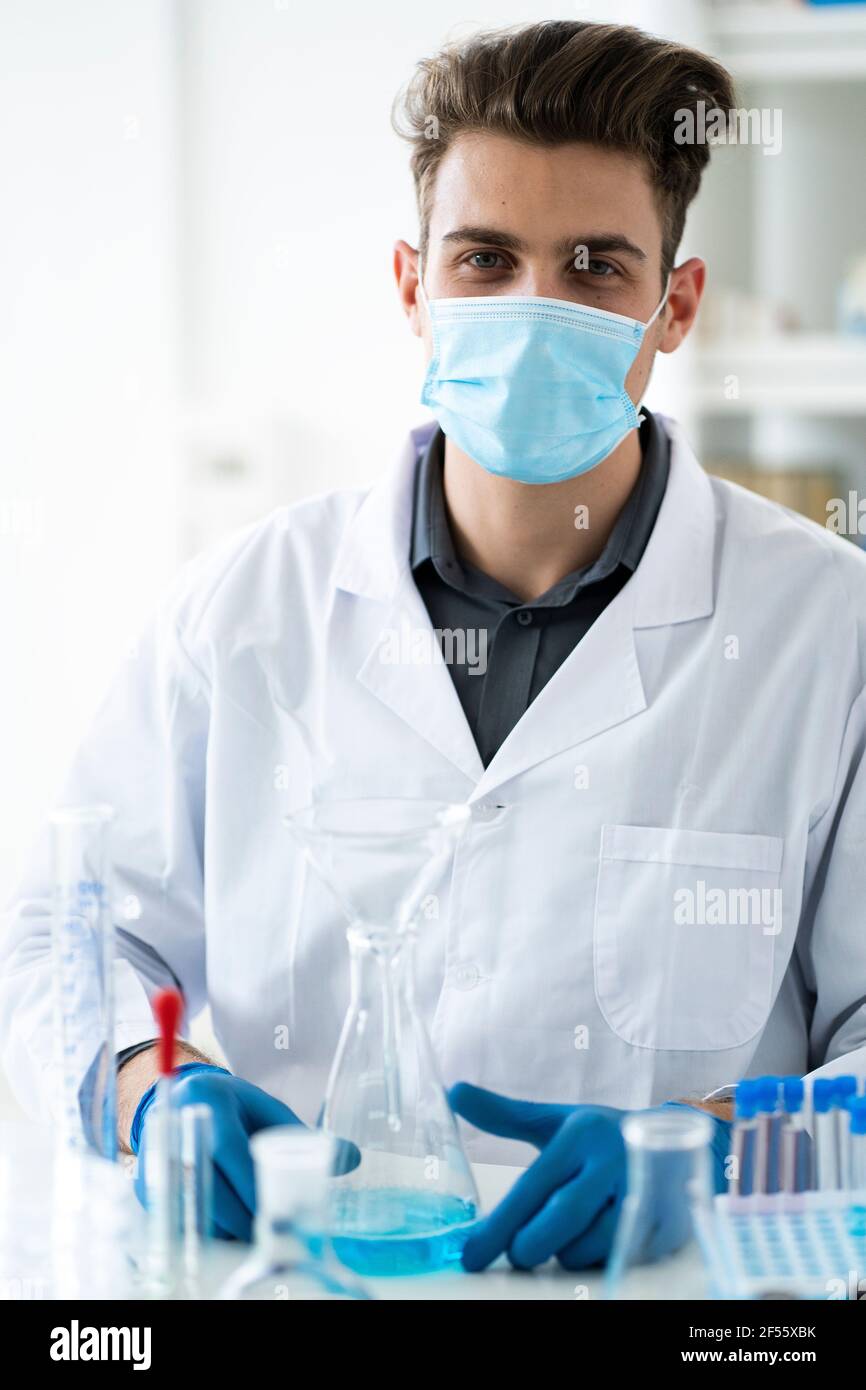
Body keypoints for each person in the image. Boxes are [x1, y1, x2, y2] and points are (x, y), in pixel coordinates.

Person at [3, 20, 866, 1269]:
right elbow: (59, 941)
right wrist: (146, 1090)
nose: (533, 310)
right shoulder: (244, 611)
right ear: (412, 285)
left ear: (673, 306)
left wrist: (722, 1142)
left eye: (591, 267)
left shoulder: (825, 630)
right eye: (484, 259)